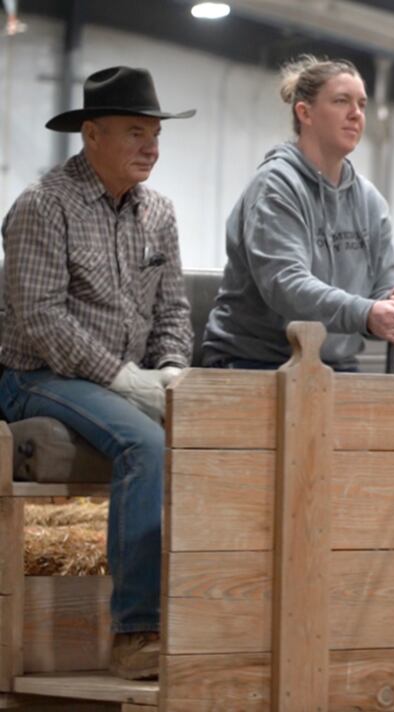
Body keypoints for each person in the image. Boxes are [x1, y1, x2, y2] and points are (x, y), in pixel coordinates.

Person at [0, 66, 194, 680]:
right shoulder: (41, 206)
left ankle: (209, 615)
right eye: (136, 132)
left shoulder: (158, 212)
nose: (151, 147)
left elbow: (174, 309)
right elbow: (40, 320)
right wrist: (122, 377)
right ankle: (137, 633)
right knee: (145, 444)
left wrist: (169, 369)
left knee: (220, 437)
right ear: (91, 134)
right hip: (36, 375)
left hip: (128, 374)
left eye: (156, 134)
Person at [202, 55, 394, 371]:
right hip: (255, 362)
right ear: (305, 113)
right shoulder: (276, 187)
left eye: (362, 104)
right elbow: (286, 285)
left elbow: (383, 285)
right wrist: (365, 312)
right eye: (341, 101)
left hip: (335, 365)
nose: (356, 114)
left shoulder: (370, 201)